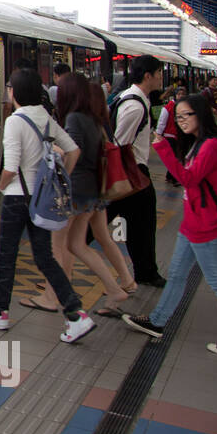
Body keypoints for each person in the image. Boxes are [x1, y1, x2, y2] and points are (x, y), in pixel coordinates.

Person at [123, 94, 217, 356]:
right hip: (193, 222)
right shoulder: (200, 143)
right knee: (177, 275)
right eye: (178, 116)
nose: (182, 121)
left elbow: (188, 179)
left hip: (205, 225)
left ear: (202, 115)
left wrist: (162, 149)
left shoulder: (210, 147)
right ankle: (158, 321)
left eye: (187, 115)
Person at [0, 68, 94, 344]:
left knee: (7, 254)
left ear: (14, 91)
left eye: (9, 87)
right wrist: (56, 177)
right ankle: (76, 314)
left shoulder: (15, 120)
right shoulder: (46, 117)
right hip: (40, 198)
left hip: (16, 198)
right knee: (44, 257)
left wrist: (1, 185)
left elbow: (10, 168)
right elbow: (73, 150)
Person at [22, 72, 135, 317]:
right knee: (77, 245)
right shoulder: (93, 118)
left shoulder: (73, 118)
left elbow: (71, 152)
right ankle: (115, 288)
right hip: (91, 192)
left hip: (73, 191)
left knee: (57, 247)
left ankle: (52, 297)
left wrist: (49, 145)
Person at [107, 54, 166, 287]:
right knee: (140, 223)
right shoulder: (134, 105)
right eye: (159, 73)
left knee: (137, 224)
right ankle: (146, 272)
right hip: (132, 173)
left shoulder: (134, 98)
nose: (162, 78)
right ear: (148, 75)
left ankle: (146, 271)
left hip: (131, 172)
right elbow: (120, 144)